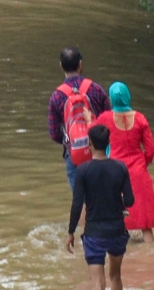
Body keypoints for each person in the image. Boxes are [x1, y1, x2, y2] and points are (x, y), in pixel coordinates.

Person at [65, 124, 133, 290]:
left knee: (98, 284)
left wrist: (70, 232)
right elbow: (130, 200)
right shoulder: (120, 167)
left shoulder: (83, 171)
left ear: (90, 144)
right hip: (117, 231)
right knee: (116, 277)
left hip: (94, 234)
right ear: (108, 142)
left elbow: (77, 204)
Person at [94, 82, 154, 242]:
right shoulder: (140, 119)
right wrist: (142, 164)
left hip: (114, 172)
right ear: (128, 96)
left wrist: (88, 120)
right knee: (145, 224)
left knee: (116, 222)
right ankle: (151, 258)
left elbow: (94, 136)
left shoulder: (105, 118)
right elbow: (150, 150)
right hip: (138, 172)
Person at [47, 47, 110, 191]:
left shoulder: (56, 96)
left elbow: (54, 133)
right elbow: (108, 120)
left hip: (74, 155)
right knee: (102, 198)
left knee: (81, 202)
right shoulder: (95, 89)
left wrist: (70, 142)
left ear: (61, 66)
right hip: (99, 153)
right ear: (80, 64)